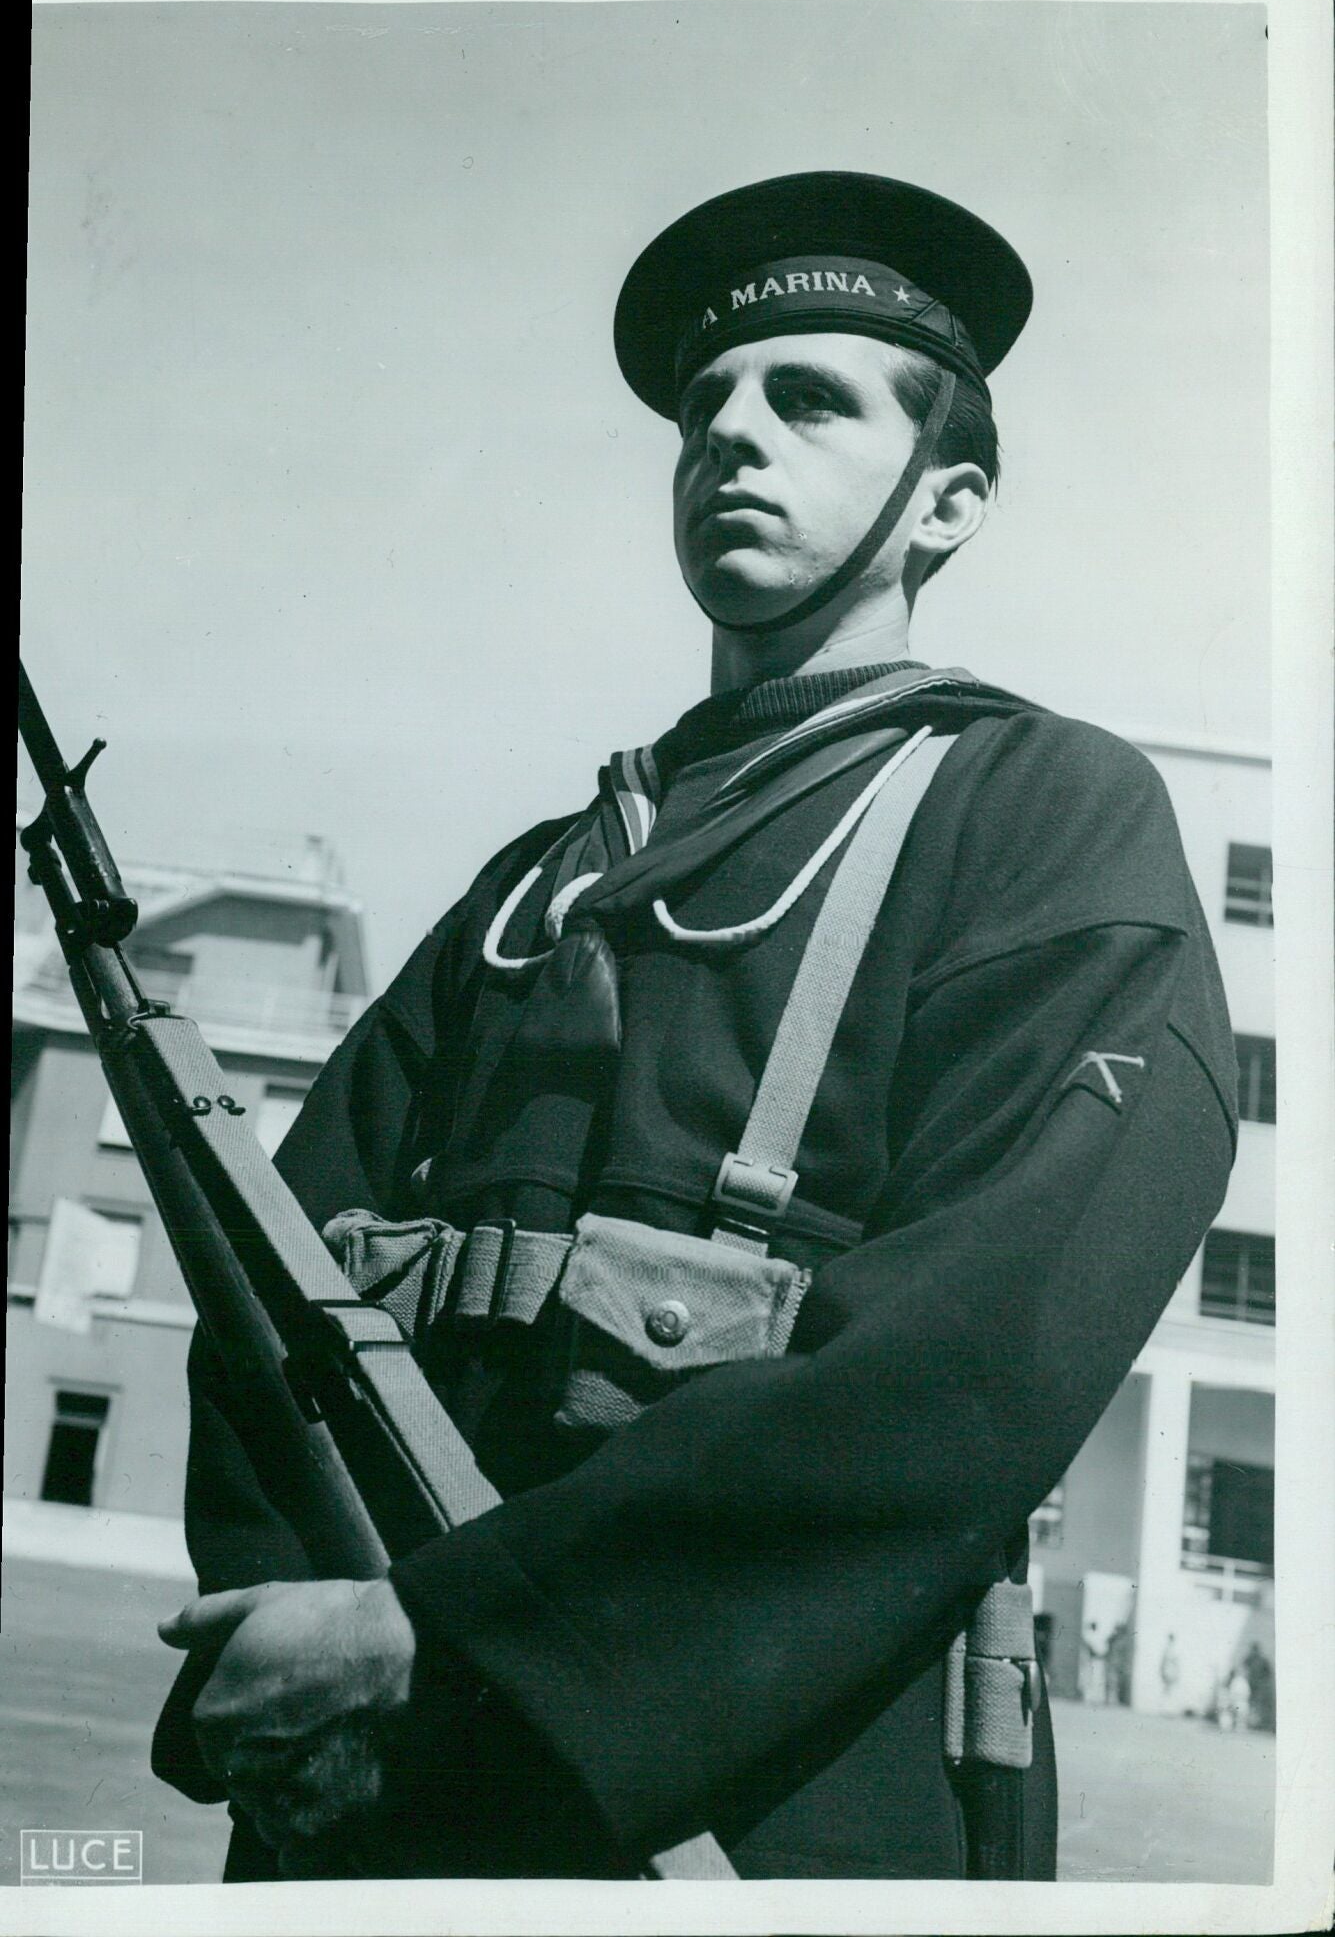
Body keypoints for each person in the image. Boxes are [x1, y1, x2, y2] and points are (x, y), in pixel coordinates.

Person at [151, 171, 1238, 1882]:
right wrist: (303, 1626)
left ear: (949, 500)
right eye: (703, 411)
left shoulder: (1040, 814)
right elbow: (273, 1280)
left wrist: (453, 1638)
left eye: (809, 400)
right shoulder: (539, 880)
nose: (731, 435)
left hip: (769, 1786)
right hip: (374, 1777)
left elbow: (976, 1353)